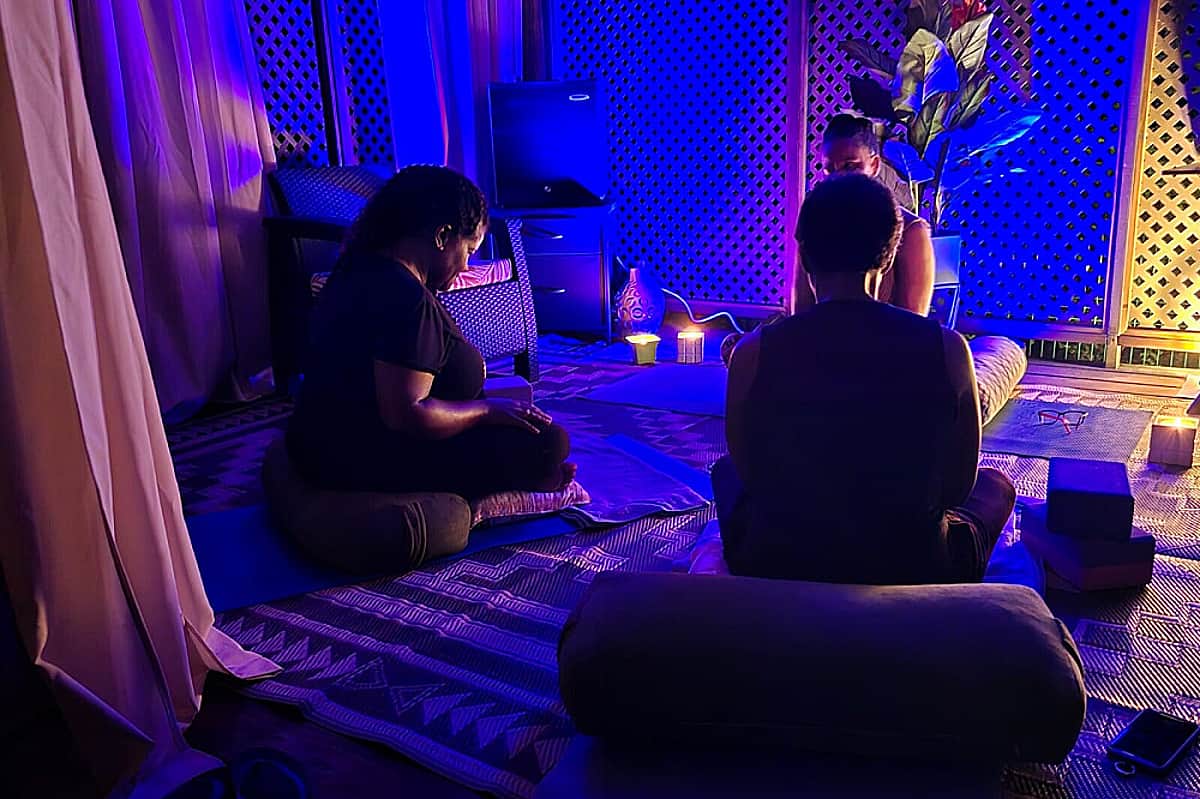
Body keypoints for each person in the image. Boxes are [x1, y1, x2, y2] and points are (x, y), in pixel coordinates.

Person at [714, 173, 1014, 585]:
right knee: (995, 486)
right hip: (913, 564)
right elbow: (957, 488)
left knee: (726, 473)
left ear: (804, 255)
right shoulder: (948, 348)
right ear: (889, 257)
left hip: (778, 558)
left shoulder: (752, 351)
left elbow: (751, 474)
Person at [286, 165, 574, 500]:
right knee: (550, 442)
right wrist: (487, 411)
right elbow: (409, 414)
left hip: (314, 445)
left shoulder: (353, 270)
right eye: (468, 251)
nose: (466, 267)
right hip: (362, 457)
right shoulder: (406, 299)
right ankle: (532, 475)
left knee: (527, 431)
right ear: (441, 237)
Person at [791, 113, 936, 317]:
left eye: (850, 166)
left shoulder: (910, 230)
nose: (839, 177)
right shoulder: (815, 225)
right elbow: (801, 314)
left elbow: (912, 323)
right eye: (830, 170)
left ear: (874, 165)